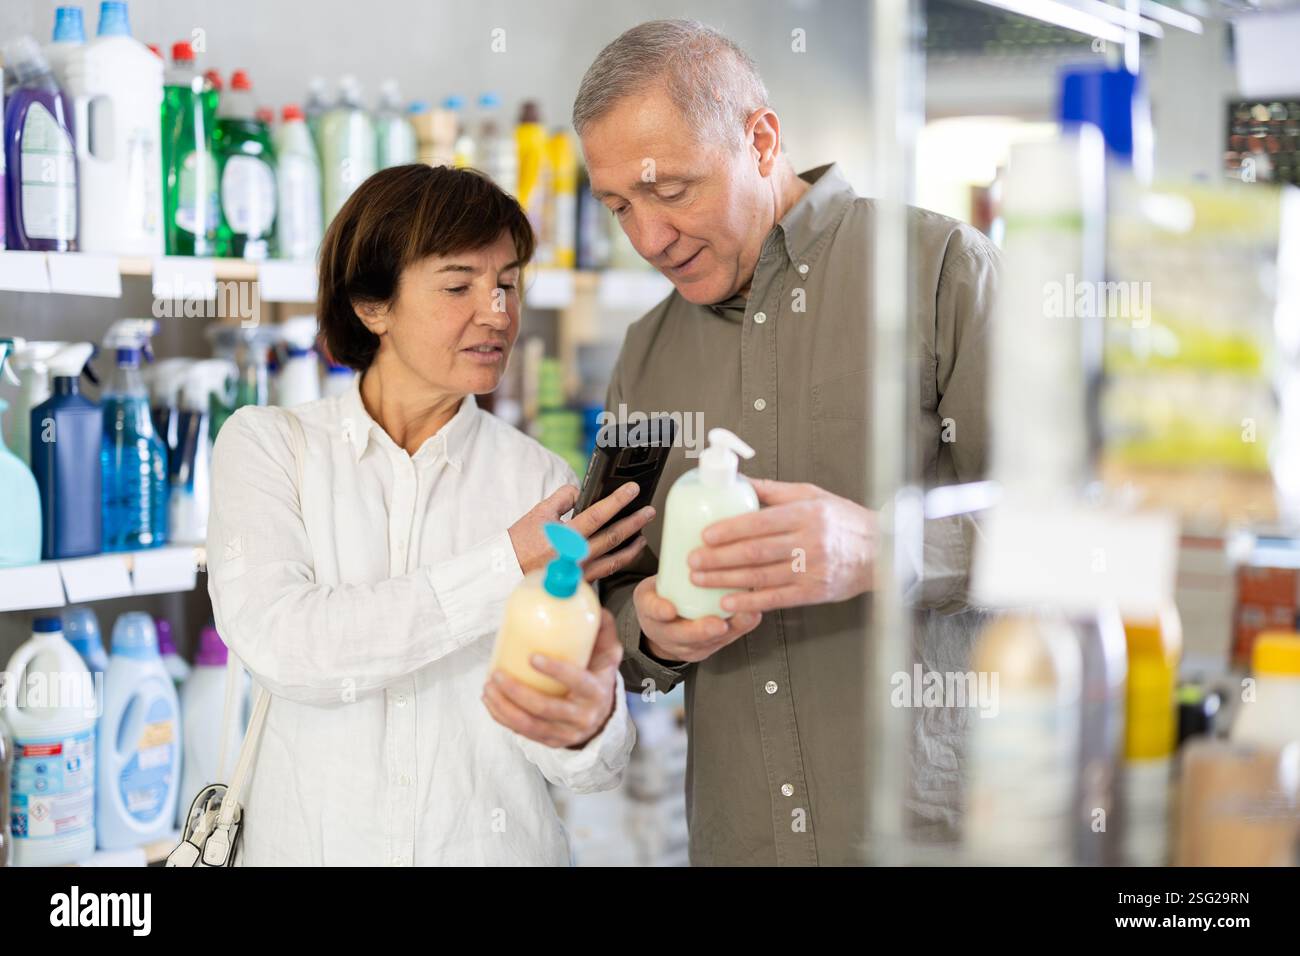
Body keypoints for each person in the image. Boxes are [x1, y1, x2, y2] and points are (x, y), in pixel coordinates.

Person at [573, 20, 1001, 865]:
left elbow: (1074, 540)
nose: (648, 238)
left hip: (934, 838)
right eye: (619, 205)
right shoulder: (647, 353)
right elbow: (613, 602)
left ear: (761, 139)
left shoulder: (942, 271)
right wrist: (651, 632)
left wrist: (881, 547)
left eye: (672, 191)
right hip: (739, 843)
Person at [206, 164, 653, 865]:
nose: (498, 311)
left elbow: (592, 770)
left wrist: (587, 722)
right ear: (371, 305)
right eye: (458, 285)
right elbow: (287, 648)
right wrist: (507, 564)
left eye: (507, 283)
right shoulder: (269, 448)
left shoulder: (541, 482)